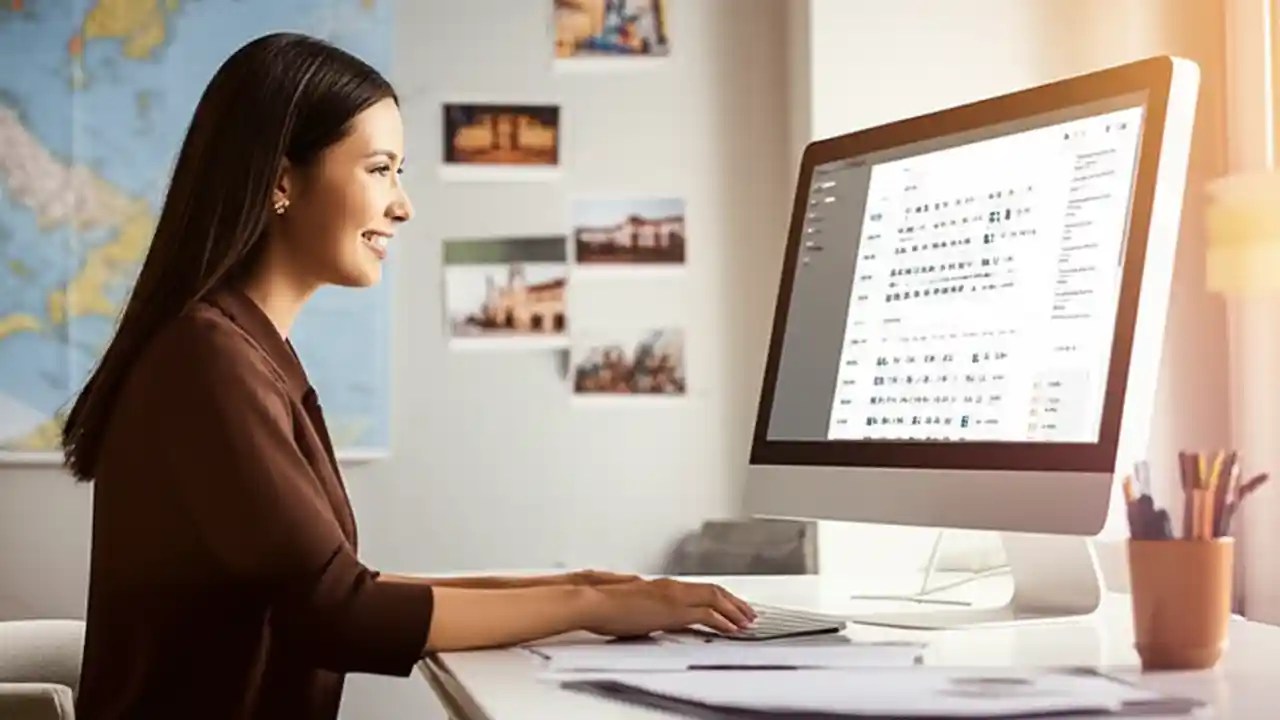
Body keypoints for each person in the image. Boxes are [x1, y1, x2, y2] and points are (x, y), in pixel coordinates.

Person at [60, 32, 756, 720]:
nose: (403, 204)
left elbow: (334, 585)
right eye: (380, 169)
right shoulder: (209, 359)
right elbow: (338, 611)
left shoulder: (241, 348)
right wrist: (589, 606)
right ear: (281, 181)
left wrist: (580, 587)